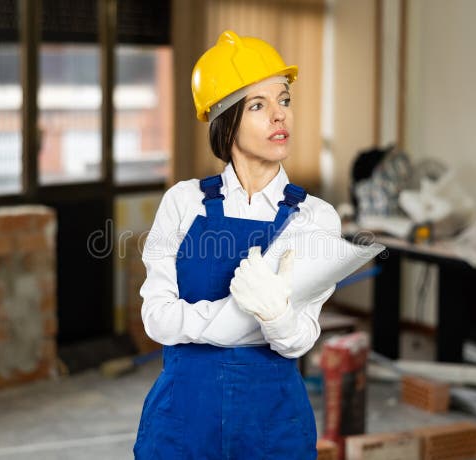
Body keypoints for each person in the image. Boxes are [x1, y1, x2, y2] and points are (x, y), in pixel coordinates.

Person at [133, 30, 341, 459]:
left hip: (272, 425)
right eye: (258, 105)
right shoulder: (183, 202)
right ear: (225, 119)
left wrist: (276, 317)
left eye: (284, 100)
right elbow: (156, 319)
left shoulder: (315, 217)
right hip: (182, 420)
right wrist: (247, 319)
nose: (280, 116)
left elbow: (299, 340)